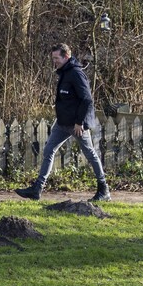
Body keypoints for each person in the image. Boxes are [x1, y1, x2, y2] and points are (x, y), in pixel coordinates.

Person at [16, 43, 109, 203]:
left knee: (90, 154)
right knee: (49, 150)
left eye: (56, 58)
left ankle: (103, 188)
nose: (54, 61)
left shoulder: (76, 73)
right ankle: (37, 189)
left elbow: (87, 99)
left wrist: (79, 122)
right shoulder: (64, 73)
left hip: (76, 124)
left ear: (66, 56)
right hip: (62, 123)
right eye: (53, 58)